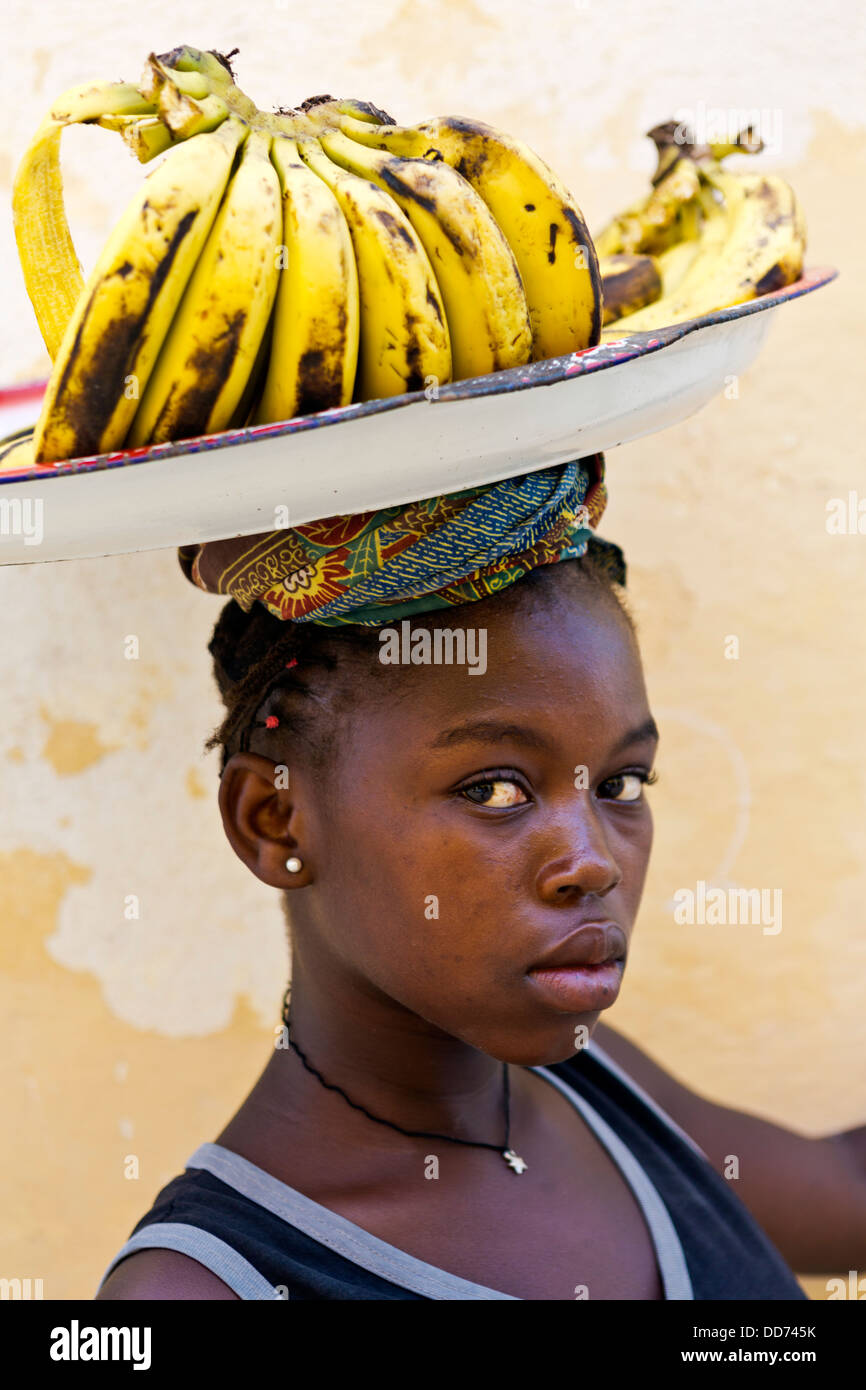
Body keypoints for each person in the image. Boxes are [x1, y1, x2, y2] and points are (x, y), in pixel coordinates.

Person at [95, 458, 865, 1300]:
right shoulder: (209, 1288)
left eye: (620, 785)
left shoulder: (595, 1085)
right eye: (494, 789)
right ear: (272, 819)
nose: (594, 862)